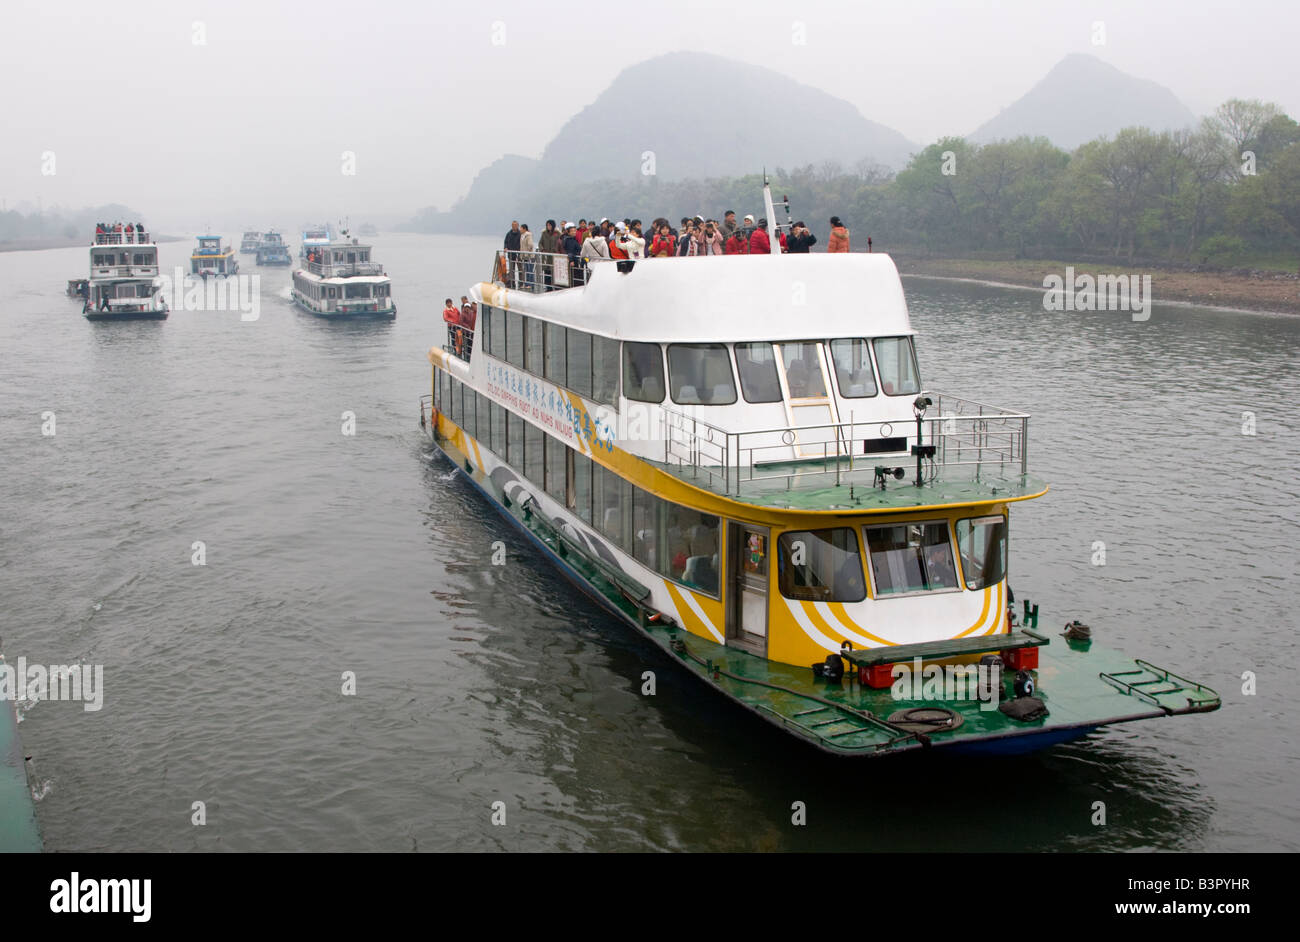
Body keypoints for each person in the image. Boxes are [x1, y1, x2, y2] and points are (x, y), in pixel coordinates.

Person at [538, 219, 563, 290]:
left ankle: (557, 287)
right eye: (547, 225)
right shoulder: (544, 233)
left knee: (555, 272)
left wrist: (556, 250)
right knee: (547, 271)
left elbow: (560, 243)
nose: (548, 227)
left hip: (554, 256)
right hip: (546, 257)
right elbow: (540, 243)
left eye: (550, 225)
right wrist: (542, 249)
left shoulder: (557, 234)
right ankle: (548, 287)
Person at [503, 221, 523, 286]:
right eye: (513, 225)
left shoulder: (520, 234)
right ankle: (512, 283)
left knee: (520, 270)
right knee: (512, 270)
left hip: (519, 255)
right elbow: (505, 242)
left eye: (515, 225)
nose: (514, 226)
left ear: (518, 226)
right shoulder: (508, 234)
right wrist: (505, 247)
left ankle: (521, 283)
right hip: (511, 255)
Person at [519, 223, 535, 287]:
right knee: (526, 270)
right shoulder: (522, 235)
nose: (520, 229)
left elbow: (530, 245)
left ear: (524, 229)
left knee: (530, 270)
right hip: (524, 256)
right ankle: (527, 283)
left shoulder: (528, 235)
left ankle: (531, 284)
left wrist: (527, 251)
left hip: (529, 256)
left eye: (521, 228)